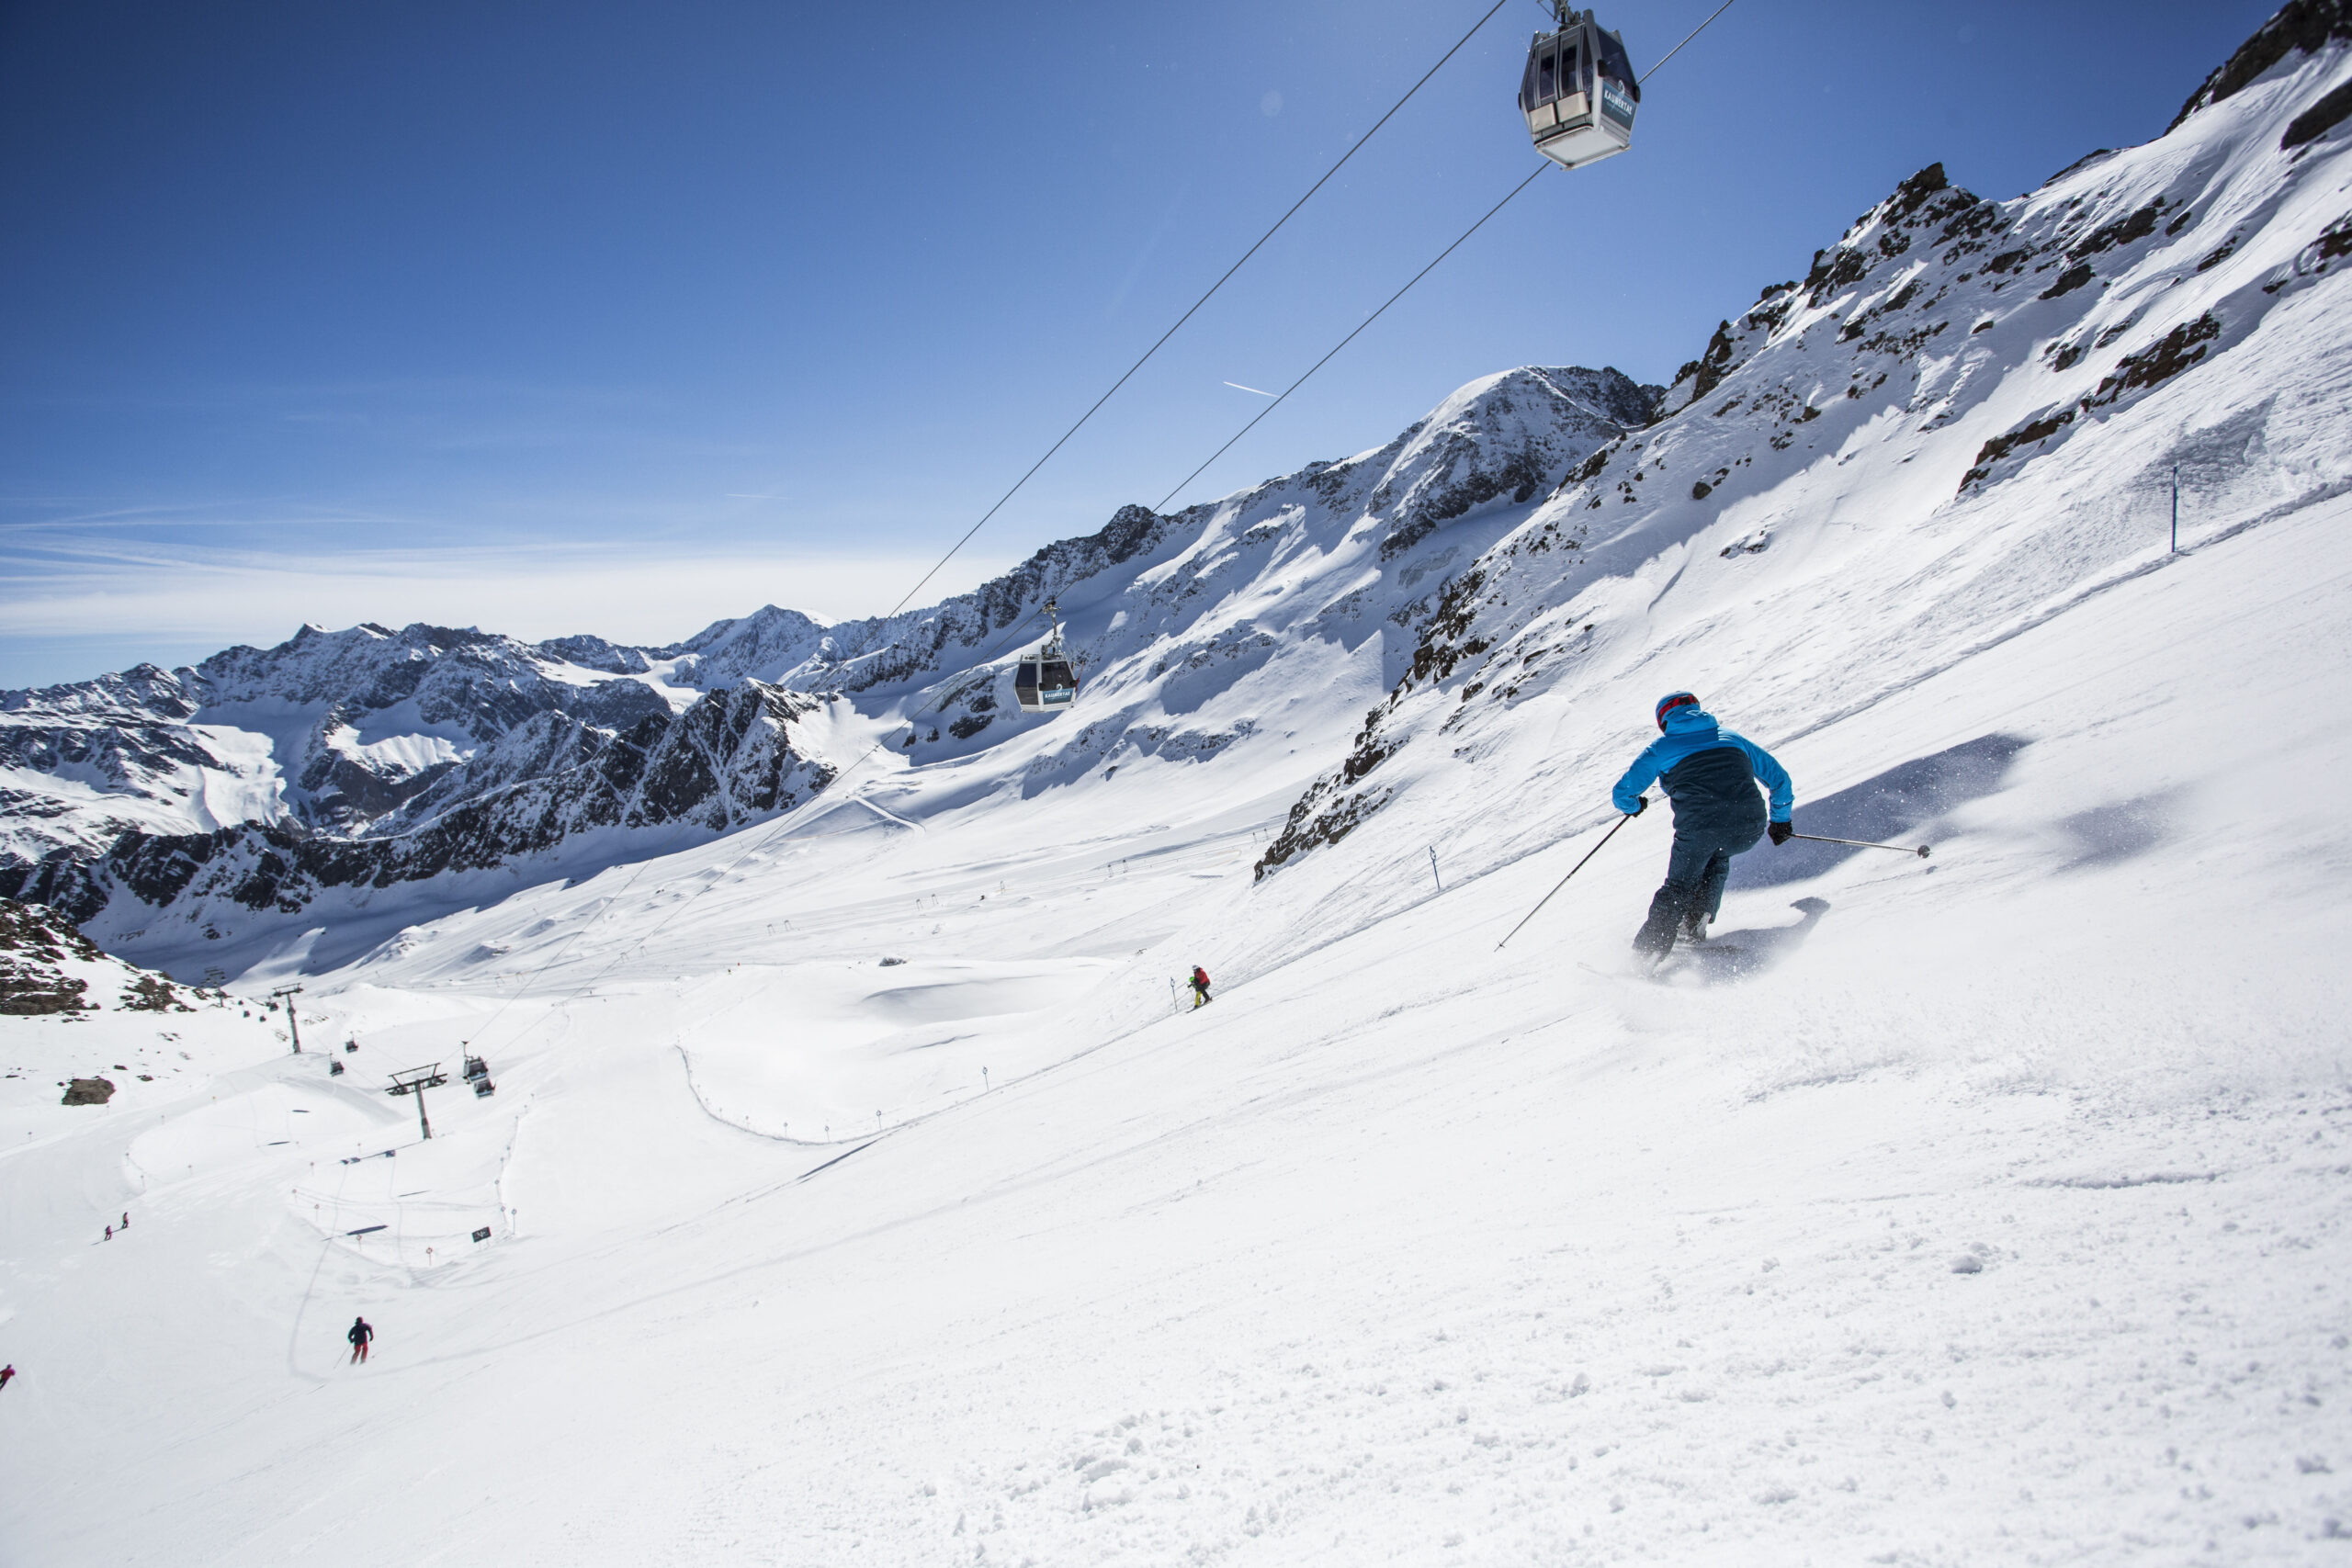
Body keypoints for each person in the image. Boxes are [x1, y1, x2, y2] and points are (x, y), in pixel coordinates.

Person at [1611, 692, 1794, 959]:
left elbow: (1622, 795)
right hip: (1749, 827)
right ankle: (1693, 926)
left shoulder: (1662, 748)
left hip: (1700, 830)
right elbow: (1779, 780)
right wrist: (1781, 821)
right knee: (1718, 855)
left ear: (1664, 722)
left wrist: (1635, 805)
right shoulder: (1732, 738)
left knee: (1679, 885)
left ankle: (1646, 956)